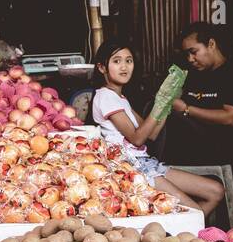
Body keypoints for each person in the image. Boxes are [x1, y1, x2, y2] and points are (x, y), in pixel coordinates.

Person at [91, 38, 224, 217]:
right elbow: (137, 138)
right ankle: (192, 232)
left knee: (215, 191)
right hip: (131, 169)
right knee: (194, 213)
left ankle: (190, 229)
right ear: (102, 68)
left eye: (128, 61)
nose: (124, 67)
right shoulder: (105, 96)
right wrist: (159, 103)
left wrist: (166, 104)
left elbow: (150, 134)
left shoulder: (120, 98)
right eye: (117, 61)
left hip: (145, 163)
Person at [164, 22, 233, 183]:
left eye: (193, 52)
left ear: (211, 44)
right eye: (187, 55)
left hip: (221, 152)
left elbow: (230, 117)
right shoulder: (194, 75)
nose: (190, 59)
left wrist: (186, 109)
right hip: (191, 151)